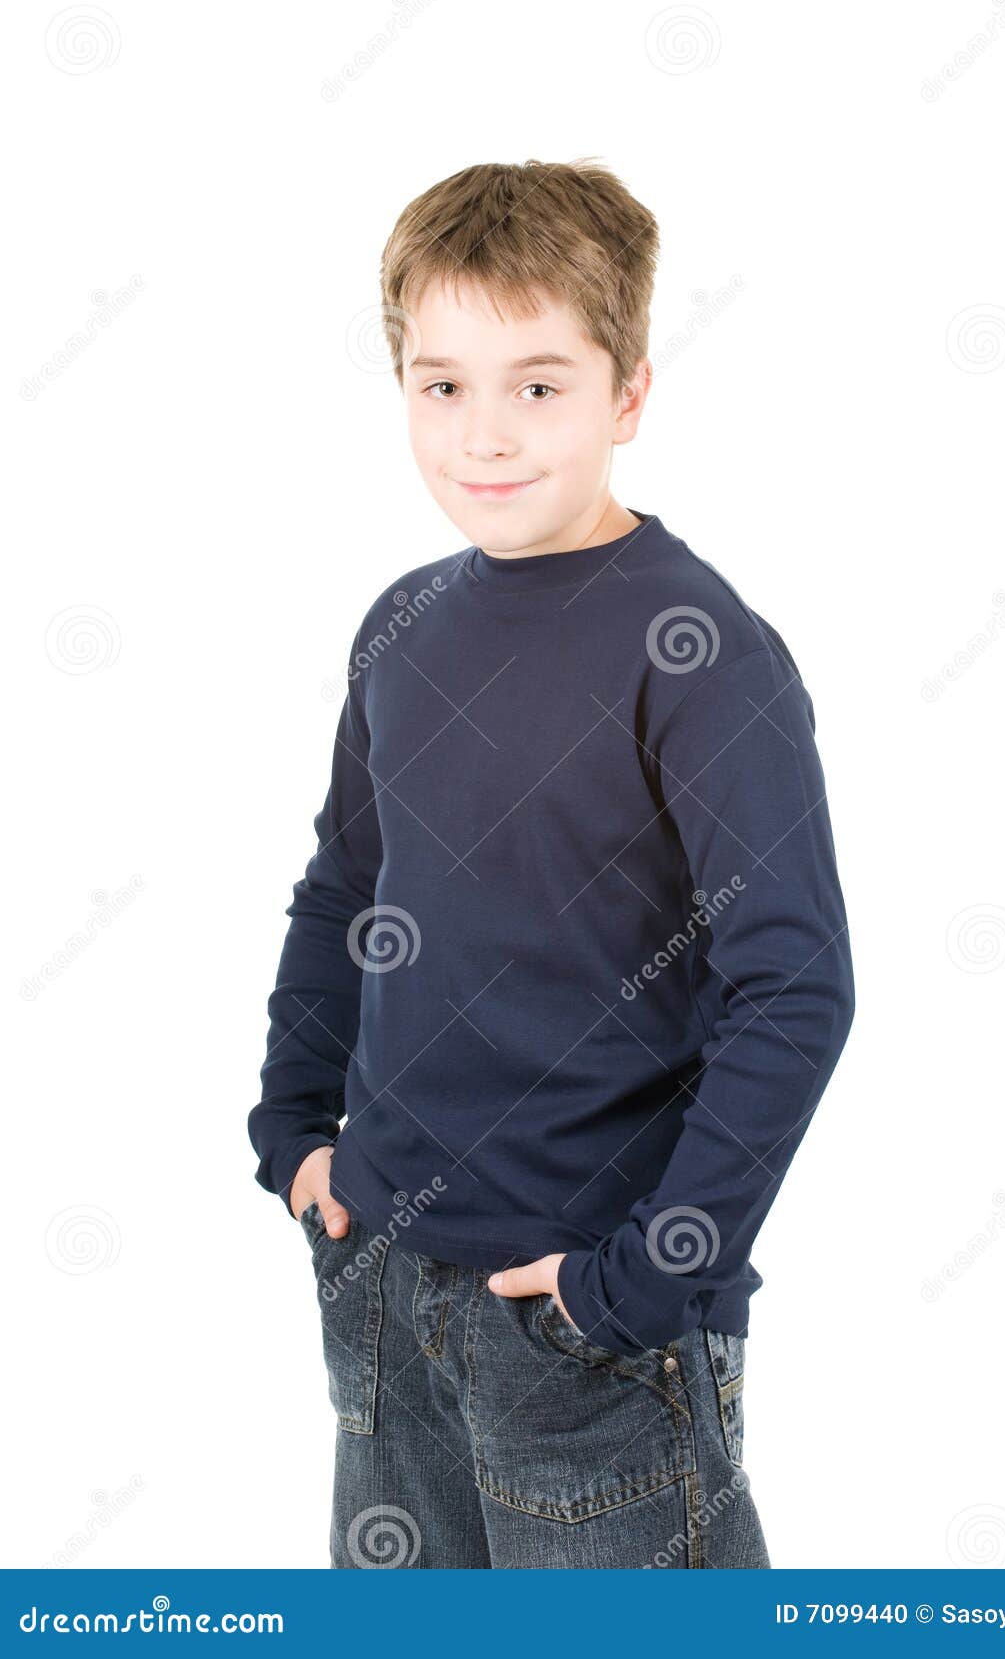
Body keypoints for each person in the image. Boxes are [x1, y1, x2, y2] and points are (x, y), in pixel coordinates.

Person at [247, 159, 855, 1569]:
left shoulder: (698, 654)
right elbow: (348, 894)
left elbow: (794, 988)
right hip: (388, 1288)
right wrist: (298, 1132)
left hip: (585, 1328)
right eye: (442, 383)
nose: (486, 434)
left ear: (627, 396)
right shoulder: (404, 625)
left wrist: (643, 1277)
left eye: (538, 383)